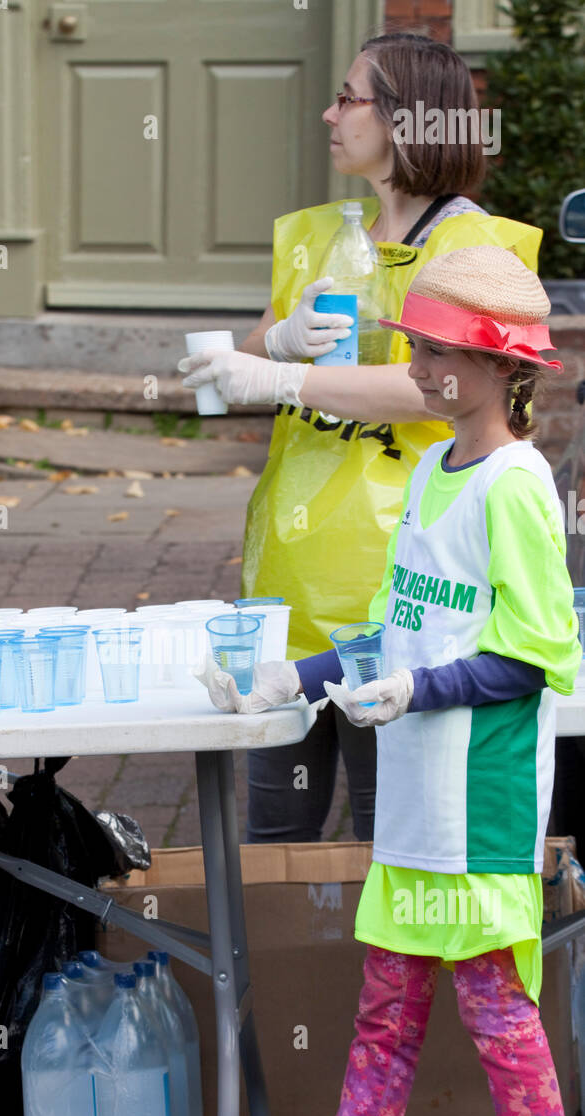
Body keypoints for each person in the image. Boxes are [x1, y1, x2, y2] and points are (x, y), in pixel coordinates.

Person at [196, 245, 584, 1116]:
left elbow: (536, 652)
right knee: (383, 1011)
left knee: (498, 1014)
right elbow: (394, 628)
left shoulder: (515, 487)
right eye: (413, 341)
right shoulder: (427, 468)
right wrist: (298, 676)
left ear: (495, 365)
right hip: (419, 804)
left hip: (482, 804)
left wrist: (415, 694)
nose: (414, 360)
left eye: (433, 347)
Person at [180, 31, 546, 847]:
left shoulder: (472, 249)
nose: (328, 113)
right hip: (293, 576)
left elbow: (438, 392)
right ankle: (282, 978)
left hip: (406, 593)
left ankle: (385, 978)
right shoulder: (320, 238)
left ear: (410, 119)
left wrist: (284, 378)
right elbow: (224, 384)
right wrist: (265, 352)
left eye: (349, 98)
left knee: (398, 835)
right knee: (276, 838)